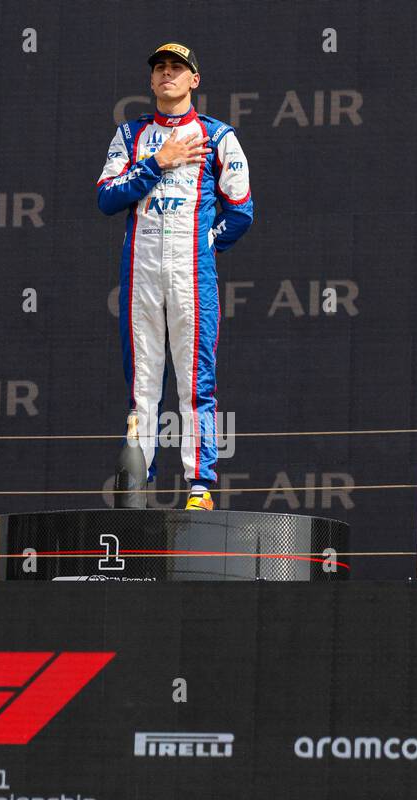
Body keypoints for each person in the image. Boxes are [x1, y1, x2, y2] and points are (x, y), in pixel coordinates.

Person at [97, 42, 254, 511]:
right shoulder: (130, 135)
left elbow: (241, 210)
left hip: (192, 276)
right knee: (142, 382)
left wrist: (207, 245)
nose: (168, 74)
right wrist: (158, 162)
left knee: (194, 384)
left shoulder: (218, 136)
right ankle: (138, 485)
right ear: (151, 81)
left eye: (177, 68)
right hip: (140, 273)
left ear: (194, 80)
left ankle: (199, 488)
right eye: (160, 68)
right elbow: (107, 196)